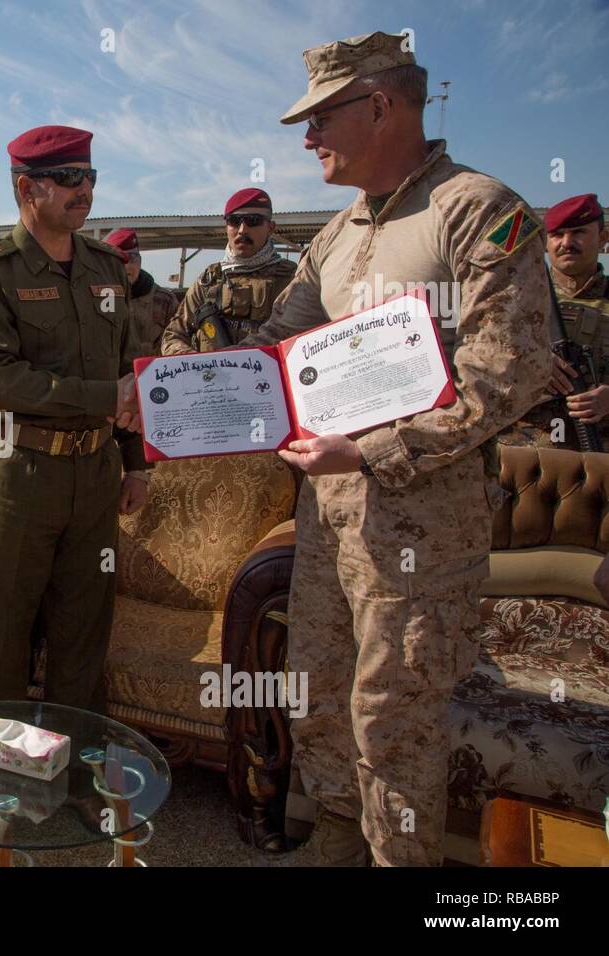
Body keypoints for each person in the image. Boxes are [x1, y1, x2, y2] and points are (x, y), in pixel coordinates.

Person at [232, 32, 551, 866]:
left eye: (321, 117)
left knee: (394, 719)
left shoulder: (478, 209)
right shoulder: (337, 235)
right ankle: (337, 838)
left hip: (420, 525)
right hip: (329, 517)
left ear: (381, 105)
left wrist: (375, 453)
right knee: (322, 696)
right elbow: (274, 350)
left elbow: (508, 370)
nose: (307, 138)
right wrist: (170, 397)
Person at [0, 125, 149, 715]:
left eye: (88, 177)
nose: (83, 189)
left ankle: (75, 778)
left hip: (94, 476)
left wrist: (136, 465)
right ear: (25, 187)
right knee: (4, 637)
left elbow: (127, 374)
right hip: (19, 478)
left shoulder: (107, 267)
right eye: (67, 179)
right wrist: (103, 397)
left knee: (84, 634)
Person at [499, 193, 609, 448]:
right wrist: (533, 362)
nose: (566, 243)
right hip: (527, 458)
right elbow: (475, 360)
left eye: (578, 232)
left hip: (600, 460)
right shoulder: (512, 300)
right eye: (557, 235)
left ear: (603, 239)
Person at [161, 189, 298, 355]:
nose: (242, 230)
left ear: (270, 228)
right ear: (226, 227)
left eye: (253, 221)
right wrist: (192, 362)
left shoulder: (293, 279)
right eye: (234, 221)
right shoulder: (208, 281)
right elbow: (173, 335)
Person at [103, 228, 180, 354]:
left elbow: (178, 339)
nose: (127, 266)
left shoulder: (165, 301)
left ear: (140, 260)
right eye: (119, 259)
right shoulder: (100, 299)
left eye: (132, 258)